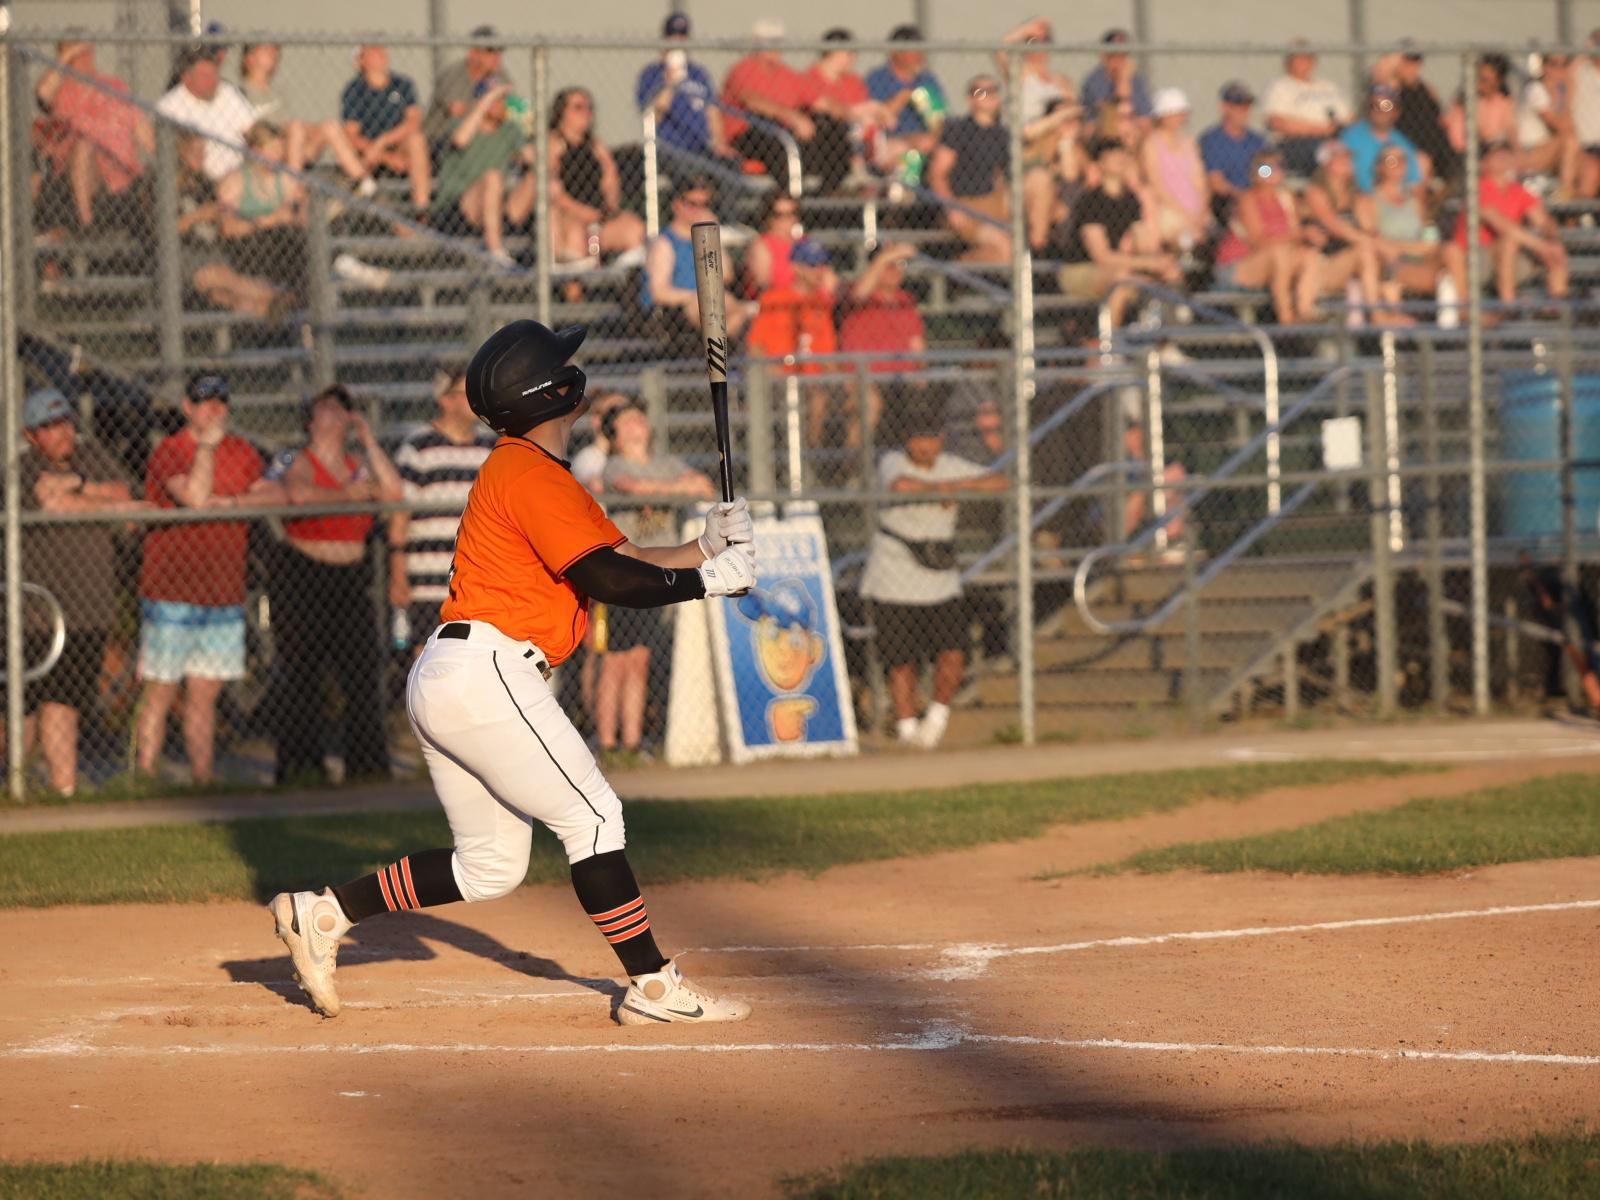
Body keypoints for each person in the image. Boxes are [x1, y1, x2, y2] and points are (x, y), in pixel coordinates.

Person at [266, 319, 759, 1027]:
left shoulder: (535, 472)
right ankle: (653, 987)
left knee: (490, 865)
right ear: (551, 392)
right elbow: (609, 581)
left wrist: (704, 547)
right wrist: (708, 583)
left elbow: (624, 559)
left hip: (458, 671)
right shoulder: (527, 472)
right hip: (487, 669)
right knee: (594, 818)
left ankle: (324, 913)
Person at [136, 372, 284, 784]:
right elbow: (196, 499)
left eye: (220, 401)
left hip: (223, 593)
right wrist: (205, 448)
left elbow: (274, 493)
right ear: (187, 408)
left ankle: (203, 777)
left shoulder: (242, 451)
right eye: (204, 402)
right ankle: (143, 776)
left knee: (205, 694)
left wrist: (235, 501)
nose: (214, 410)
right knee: (161, 690)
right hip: (172, 592)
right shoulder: (171, 450)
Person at [271, 385, 405, 785]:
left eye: (343, 408)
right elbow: (296, 494)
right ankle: (302, 768)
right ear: (311, 421)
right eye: (327, 407)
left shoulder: (357, 465)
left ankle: (366, 767)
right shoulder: (299, 459)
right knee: (302, 675)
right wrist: (344, 495)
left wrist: (369, 440)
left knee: (361, 673)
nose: (337, 413)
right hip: (304, 574)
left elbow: (395, 494)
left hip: (350, 577)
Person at [16, 388, 142, 795]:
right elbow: (52, 505)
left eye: (65, 423)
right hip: (37, 613)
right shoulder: (22, 468)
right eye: (49, 427)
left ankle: (63, 790)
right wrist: (109, 505)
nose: (63, 433)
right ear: (30, 435)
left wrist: (78, 483)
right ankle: (14, 784)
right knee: (22, 707)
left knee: (65, 701)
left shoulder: (91, 456)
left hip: (89, 608)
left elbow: (126, 495)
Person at [858, 403, 1006, 749]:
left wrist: (954, 486)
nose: (925, 446)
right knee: (901, 659)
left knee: (954, 651)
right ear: (905, 439)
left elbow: (1000, 481)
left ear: (942, 438)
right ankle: (908, 730)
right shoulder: (893, 461)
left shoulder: (951, 465)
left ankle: (935, 721)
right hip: (894, 576)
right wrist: (943, 490)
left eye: (931, 438)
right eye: (917, 439)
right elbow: (901, 485)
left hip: (939, 577)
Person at [598, 404, 715, 760]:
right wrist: (674, 489)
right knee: (615, 661)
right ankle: (607, 743)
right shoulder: (615, 464)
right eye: (627, 421)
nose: (638, 423)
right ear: (615, 436)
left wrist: (659, 489)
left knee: (640, 659)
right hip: (622, 574)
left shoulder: (666, 463)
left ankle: (632, 744)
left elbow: (704, 486)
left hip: (659, 573)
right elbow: (631, 487)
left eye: (640, 418)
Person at [388, 369, 497, 655]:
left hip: (476, 581)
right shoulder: (419, 447)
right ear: (445, 400)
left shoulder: (490, 447)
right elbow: (400, 514)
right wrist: (398, 575)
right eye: (467, 394)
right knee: (429, 658)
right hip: (427, 580)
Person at [1053, 137, 1181, 328]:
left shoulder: (1131, 200)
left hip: (1121, 266)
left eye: (1121, 154)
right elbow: (1102, 256)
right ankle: (1110, 342)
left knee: (1170, 272)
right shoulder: (1091, 201)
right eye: (1111, 155)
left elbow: (1142, 241)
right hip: (1080, 269)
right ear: (1100, 164)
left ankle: (1166, 337)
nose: (1119, 158)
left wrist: (1159, 261)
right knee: (1121, 280)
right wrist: (1147, 263)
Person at [34, 38, 151, 234]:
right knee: (85, 146)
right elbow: (42, 93)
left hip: (122, 168)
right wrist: (66, 56)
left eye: (85, 53)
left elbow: (143, 132)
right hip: (82, 169)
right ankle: (87, 226)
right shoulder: (62, 90)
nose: (82, 59)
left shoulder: (115, 86)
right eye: (75, 55)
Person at [176, 132, 290, 321]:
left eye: (203, 151)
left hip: (214, 250)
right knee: (221, 277)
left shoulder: (205, 184)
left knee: (223, 296)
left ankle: (271, 311)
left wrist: (224, 217)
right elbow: (162, 231)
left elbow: (227, 224)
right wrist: (198, 216)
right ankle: (279, 299)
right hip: (182, 254)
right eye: (195, 151)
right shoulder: (164, 186)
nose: (201, 156)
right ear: (180, 152)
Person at [1443, 140, 1569, 308]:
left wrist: (1552, 238)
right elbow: (1502, 226)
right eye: (1495, 154)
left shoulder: (1517, 190)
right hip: (1475, 258)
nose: (1503, 156)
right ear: (1482, 163)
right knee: (1509, 242)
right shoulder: (1478, 188)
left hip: (1511, 256)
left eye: (1505, 152)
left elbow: (1544, 220)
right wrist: (1540, 246)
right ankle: (1508, 306)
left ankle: (1557, 306)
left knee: (1555, 247)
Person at [239, 41, 373, 196]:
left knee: (330, 126)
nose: (274, 53)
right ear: (249, 58)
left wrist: (309, 129)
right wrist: (289, 130)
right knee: (296, 127)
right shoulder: (241, 92)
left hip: (291, 149)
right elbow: (252, 132)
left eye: (275, 50)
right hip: (264, 152)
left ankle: (364, 182)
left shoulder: (277, 93)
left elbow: (290, 126)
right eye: (266, 49)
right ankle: (293, 191)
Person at [747, 238, 844, 450]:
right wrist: (778, 373)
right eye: (813, 265)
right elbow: (756, 348)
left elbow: (828, 355)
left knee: (849, 395)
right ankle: (811, 456)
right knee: (814, 396)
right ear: (796, 268)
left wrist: (837, 379)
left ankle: (839, 460)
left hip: (814, 379)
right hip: (779, 378)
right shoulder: (773, 299)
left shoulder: (821, 303)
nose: (819, 271)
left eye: (823, 265)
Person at [429, 80, 534, 265]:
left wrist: (533, 127)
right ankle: (495, 252)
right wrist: (485, 103)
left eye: (503, 100)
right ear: (481, 102)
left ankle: (550, 254)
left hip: (493, 212)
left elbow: (533, 159)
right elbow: (460, 140)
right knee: (493, 177)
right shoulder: (459, 124)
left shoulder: (510, 129)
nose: (502, 105)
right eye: (496, 100)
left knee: (538, 179)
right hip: (457, 211)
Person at [1211, 149, 1319, 325]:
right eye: (1267, 168)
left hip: (1274, 262)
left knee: (1309, 256)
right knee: (1279, 253)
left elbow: (1295, 234)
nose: (1275, 171)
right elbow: (1258, 241)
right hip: (1239, 264)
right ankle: (1286, 317)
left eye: (1279, 167)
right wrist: (1299, 234)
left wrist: (1307, 234)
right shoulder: (1248, 200)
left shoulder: (1286, 199)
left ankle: (1305, 311)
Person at [642, 177, 754, 345]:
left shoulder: (705, 240)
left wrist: (711, 234)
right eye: (693, 204)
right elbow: (659, 292)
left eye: (705, 204)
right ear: (677, 205)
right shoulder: (666, 243)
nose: (699, 210)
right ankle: (723, 349)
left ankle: (725, 346)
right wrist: (696, 297)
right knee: (711, 307)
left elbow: (726, 276)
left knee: (736, 306)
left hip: (711, 302)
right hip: (677, 309)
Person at [547, 87, 645, 265]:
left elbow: (611, 181)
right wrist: (584, 214)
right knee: (576, 231)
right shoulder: (553, 143)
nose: (586, 113)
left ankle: (620, 275)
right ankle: (577, 276)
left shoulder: (595, 145)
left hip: (597, 218)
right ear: (561, 113)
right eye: (578, 107)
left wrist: (607, 208)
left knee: (633, 227)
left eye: (589, 108)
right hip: (569, 216)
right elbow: (554, 192)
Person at [719, 19, 817, 192]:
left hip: (780, 133)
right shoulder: (743, 69)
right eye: (769, 43)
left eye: (777, 42)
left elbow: (815, 99)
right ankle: (787, 198)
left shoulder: (786, 73)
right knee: (780, 146)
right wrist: (793, 118)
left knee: (824, 134)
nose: (774, 48)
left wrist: (852, 112)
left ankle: (820, 196)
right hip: (745, 135)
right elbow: (752, 101)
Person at [839, 242, 927, 432]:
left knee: (928, 395)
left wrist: (921, 371)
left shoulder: (906, 301)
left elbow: (917, 345)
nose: (896, 271)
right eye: (890, 266)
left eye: (900, 265)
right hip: (863, 378)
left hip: (901, 379)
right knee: (870, 401)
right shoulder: (857, 292)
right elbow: (859, 294)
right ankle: (856, 453)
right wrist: (886, 257)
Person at [1301, 140, 1390, 325]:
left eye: (1348, 158)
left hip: (1347, 263)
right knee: (1365, 250)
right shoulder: (1315, 193)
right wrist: (1369, 242)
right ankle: (1377, 315)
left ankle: (1380, 314)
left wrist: (1375, 240)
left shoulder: (1356, 196)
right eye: (1339, 158)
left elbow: (1369, 229)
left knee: (1370, 254)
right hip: (1320, 267)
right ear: (1326, 163)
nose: (1346, 162)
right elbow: (1335, 226)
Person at [216, 122, 309, 296]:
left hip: (286, 244)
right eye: (273, 149)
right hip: (249, 247)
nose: (279, 155)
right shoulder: (235, 181)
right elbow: (228, 228)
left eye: (281, 149)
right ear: (256, 151)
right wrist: (266, 221)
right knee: (281, 238)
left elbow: (305, 220)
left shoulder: (285, 179)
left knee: (296, 237)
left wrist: (296, 213)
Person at [340, 44, 431, 218]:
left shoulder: (402, 84)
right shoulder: (355, 90)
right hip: (371, 154)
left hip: (399, 148)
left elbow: (413, 121)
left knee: (416, 140)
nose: (381, 53)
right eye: (373, 50)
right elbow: (351, 136)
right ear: (361, 60)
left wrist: (384, 141)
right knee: (356, 152)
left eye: (382, 48)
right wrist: (387, 157)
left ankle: (422, 210)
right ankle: (368, 203)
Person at [927, 74, 1011, 263]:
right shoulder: (958, 130)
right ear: (970, 99)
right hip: (964, 203)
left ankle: (958, 269)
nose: (989, 95)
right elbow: (937, 174)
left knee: (1005, 252)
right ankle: (953, 271)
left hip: (991, 203)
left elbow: (1000, 177)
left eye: (993, 91)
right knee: (1004, 247)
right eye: (982, 92)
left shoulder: (1002, 135)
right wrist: (952, 208)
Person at [1356, 144, 1447, 315]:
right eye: (1392, 160)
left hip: (1419, 259)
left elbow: (1430, 240)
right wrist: (1412, 248)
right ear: (1380, 167)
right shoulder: (1368, 201)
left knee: (1446, 264)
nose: (1398, 164)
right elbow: (1376, 241)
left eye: (1402, 160)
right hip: (1391, 264)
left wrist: (1400, 247)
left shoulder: (1416, 201)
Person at [634, 13, 734, 165]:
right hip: (667, 149)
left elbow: (712, 111)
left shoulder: (698, 73)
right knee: (690, 172)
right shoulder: (652, 73)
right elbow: (654, 115)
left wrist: (720, 144)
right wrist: (670, 83)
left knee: (730, 166)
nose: (678, 44)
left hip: (701, 148)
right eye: (673, 38)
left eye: (682, 38)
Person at [156, 45, 258, 183]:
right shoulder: (169, 106)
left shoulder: (227, 92)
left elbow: (252, 130)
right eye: (205, 76)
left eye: (215, 74)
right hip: (196, 181)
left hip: (240, 176)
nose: (213, 81)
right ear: (186, 78)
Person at [798, 28, 877, 193]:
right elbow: (825, 108)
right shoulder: (809, 78)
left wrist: (873, 111)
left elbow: (865, 113)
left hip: (855, 136)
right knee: (832, 123)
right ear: (835, 52)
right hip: (822, 143)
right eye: (850, 53)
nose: (854, 58)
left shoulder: (853, 81)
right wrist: (853, 113)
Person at [864, 24, 947, 176]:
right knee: (906, 150)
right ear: (896, 53)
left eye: (921, 50)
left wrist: (933, 137)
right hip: (889, 142)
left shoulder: (927, 79)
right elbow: (875, 120)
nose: (919, 56)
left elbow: (941, 118)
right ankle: (902, 189)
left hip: (925, 141)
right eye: (913, 50)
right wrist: (903, 97)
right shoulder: (878, 78)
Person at [1261, 39, 1352, 176]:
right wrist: (1321, 129)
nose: (1303, 62)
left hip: (1336, 137)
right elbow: (1277, 121)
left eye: (1307, 58)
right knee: (1326, 153)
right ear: (1289, 61)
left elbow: (1349, 117)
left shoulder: (1327, 86)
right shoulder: (1281, 86)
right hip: (1298, 142)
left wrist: (1337, 127)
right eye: (1298, 58)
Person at [1142, 87, 1209, 254]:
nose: (1178, 118)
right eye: (1172, 113)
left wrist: (1201, 210)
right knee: (1184, 239)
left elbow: (1199, 180)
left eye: (1180, 113)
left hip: (1195, 209)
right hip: (1168, 209)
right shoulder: (1151, 144)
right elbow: (1156, 184)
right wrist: (1184, 214)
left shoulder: (1189, 143)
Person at [1376, 41, 1455, 183]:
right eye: (1406, 63)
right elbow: (1380, 74)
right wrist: (1396, 57)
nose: (1411, 68)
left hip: (1436, 146)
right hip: (1408, 144)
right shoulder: (1392, 88)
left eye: (1415, 64)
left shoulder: (1426, 89)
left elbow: (1442, 119)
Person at [423, 25, 504, 147]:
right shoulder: (454, 74)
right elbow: (456, 110)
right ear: (473, 53)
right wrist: (488, 112)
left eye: (499, 51)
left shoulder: (499, 75)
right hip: (441, 140)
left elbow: (508, 107)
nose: (496, 57)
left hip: (481, 137)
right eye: (490, 51)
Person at [1199, 81, 1268, 221]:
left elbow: (1266, 170)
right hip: (1228, 202)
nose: (1244, 112)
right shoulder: (1211, 140)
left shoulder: (1257, 140)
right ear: (1224, 107)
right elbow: (1216, 182)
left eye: (1247, 107)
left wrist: (1265, 177)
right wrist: (1244, 198)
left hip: (1258, 199)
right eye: (1238, 106)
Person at [1517, 52, 1581, 197]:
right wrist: (1566, 96)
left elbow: (1569, 127)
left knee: (1590, 168)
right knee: (1570, 141)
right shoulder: (1535, 89)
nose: (1559, 70)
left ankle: (1577, 207)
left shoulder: (1559, 90)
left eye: (1564, 65)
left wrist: (1565, 95)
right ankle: (1565, 194)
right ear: (1544, 67)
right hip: (1529, 150)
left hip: (1550, 149)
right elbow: (1563, 128)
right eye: (1554, 64)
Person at [1341, 84, 1425, 194]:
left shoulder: (1403, 144)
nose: (1379, 111)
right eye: (1375, 105)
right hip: (1356, 197)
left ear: (1396, 112)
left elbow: (1413, 183)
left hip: (1389, 200)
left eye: (1386, 106)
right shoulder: (1350, 136)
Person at [1446, 55, 1518, 163]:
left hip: (1495, 149)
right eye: (1478, 78)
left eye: (1486, 80)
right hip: (1466, 153)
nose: (1479, 84)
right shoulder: (1465, 101)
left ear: (1498, 82)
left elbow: (1510, 129)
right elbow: (1458, 139)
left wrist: (1517, 151)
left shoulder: (1503, 101)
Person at [1079, 29, 1152, 122]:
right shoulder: (1095, 80)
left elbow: (1145, 114)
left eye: (1123, 55)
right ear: (1104, 56)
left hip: (1132, 126)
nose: (1119, 60)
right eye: (1114, 55)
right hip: (1100, 126)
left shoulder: (1136, 80)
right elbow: (1108, 113)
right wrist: (1123, 81)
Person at [742, 191, 805, 298]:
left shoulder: (804, 242)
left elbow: (827, 278)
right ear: (768, 217)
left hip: (806, 302)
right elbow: (764, 285)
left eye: (790, 214)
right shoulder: (761, 245)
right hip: (773, 303)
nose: (785, 220)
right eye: (778, 215)